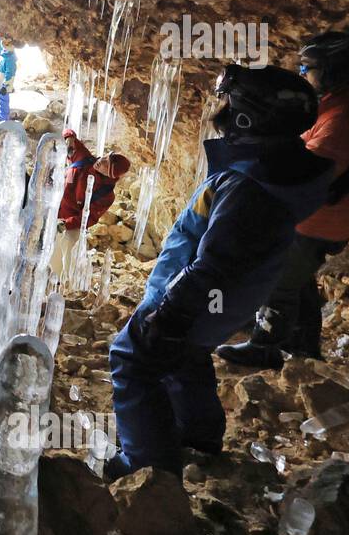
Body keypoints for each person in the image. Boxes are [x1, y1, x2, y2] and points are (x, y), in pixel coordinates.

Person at [103, 65, 333, 480]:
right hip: (230, 303)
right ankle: (199, 436)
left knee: (133, 359)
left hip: (196, 300)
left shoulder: (249, 187)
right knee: (186, 357)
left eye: (231, 105)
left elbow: (214, 263)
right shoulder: (282, 171)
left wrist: (169, 313)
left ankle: (147, 467)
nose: (223, 112)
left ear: (249, 118)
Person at [216, 32, 349, 368]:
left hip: (315, 219)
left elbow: (311, 171)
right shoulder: (342, 101)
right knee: (298, 279)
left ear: (331, 72)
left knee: (280, 280)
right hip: (327, 217)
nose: (303, 73)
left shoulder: (342, 120)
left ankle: (265, 346)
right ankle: (303, 346)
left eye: (309, 68)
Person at [51, 129, 131, 279]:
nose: (102, 161)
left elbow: (87, 218)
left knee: (65, 252)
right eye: (106, 157)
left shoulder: (106, 194)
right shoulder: (84, 158)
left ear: (111, 174)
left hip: (68, 223)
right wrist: (68, 137)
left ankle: (64, 286)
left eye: (106, 165)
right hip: (51, 209)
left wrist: (65, 224)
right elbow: (69, 134)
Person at [0, 44, 18, 122]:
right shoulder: (3, 56)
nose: (4, 47)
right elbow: (0, 44)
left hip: (4, 86)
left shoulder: (10, 60)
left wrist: (5, 86)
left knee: (3, 101)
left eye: (7, 45)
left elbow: (9, 75)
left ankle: (3, 118)